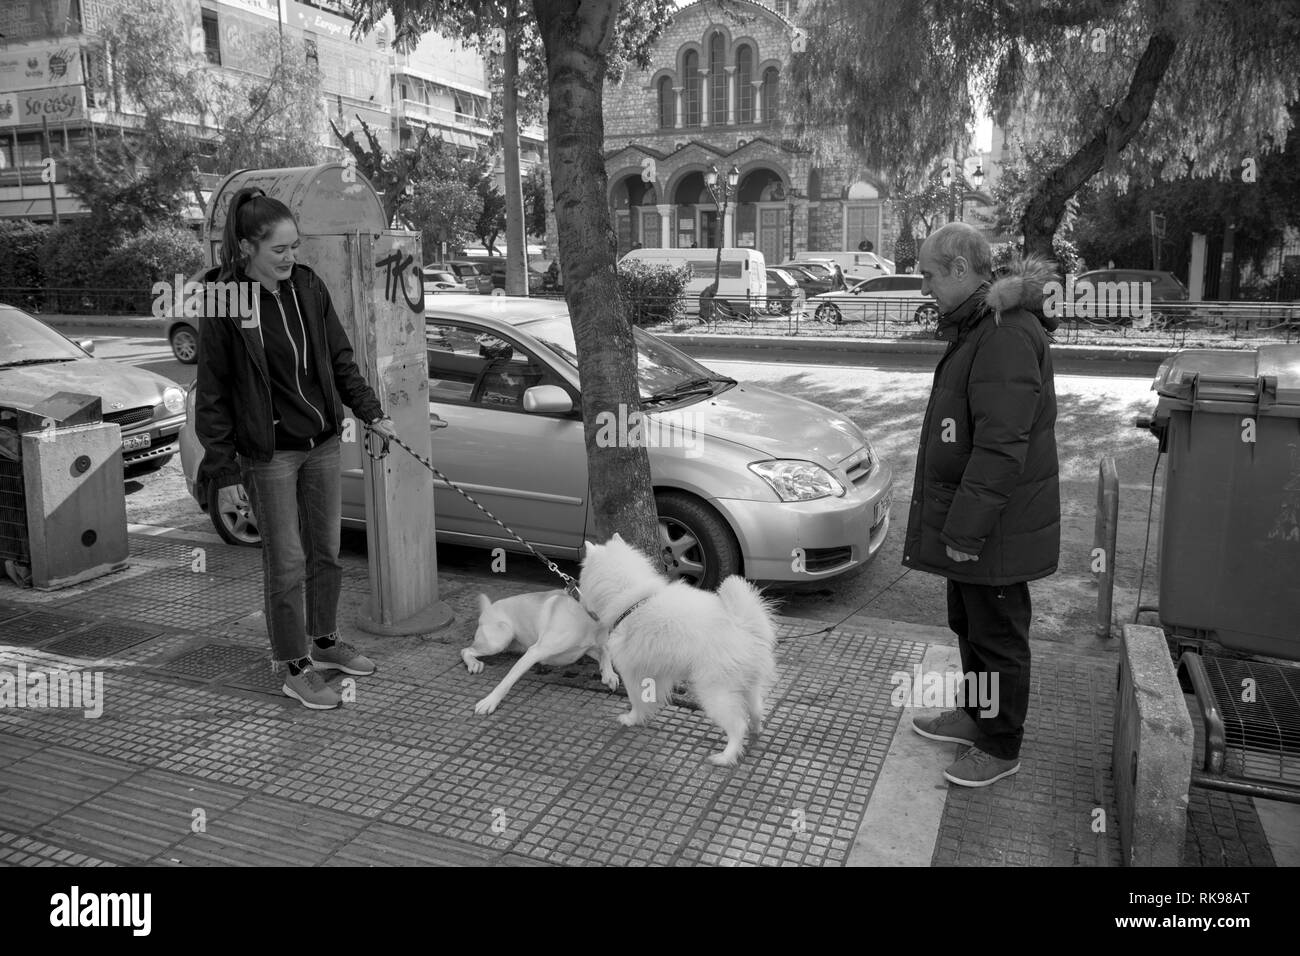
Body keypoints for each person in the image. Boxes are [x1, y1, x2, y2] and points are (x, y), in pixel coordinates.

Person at [194, 187, 398, 710]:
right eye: (279, 249)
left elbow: (340, 357)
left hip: (322, 442)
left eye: (295, 246)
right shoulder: (223, 300)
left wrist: (371, 412)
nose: (291, 258)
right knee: (286, 563)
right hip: (269, 455)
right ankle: (293, 665)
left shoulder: (308, 285)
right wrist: (222, 468)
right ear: (247, 248)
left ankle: (324, 642)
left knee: (325, 553)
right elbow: (214, 393)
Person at [904, 222, 1060, 787]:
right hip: (978, 524)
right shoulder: (978, 328)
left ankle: (1000, 745)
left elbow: (999, 449)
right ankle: (976, 717)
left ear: (961, 270)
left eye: (927, 275)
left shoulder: (1003, 335)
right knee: (970, 624)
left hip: (994, 529)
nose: (923, 287)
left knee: (996, 635)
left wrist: (964, 532)